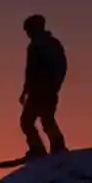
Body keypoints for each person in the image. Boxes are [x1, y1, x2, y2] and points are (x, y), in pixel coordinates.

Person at [19, 14, 68, 159]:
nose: (28, 34)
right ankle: (38, 149)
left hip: (46, 90)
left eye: (29, 30)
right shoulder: (33, 47)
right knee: (27, 121)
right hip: (35, 91)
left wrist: (54, 85)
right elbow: (30, 71)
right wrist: (25, 91)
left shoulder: (50, 44)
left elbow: (61, 66)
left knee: (46, 119)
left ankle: (58, 147)